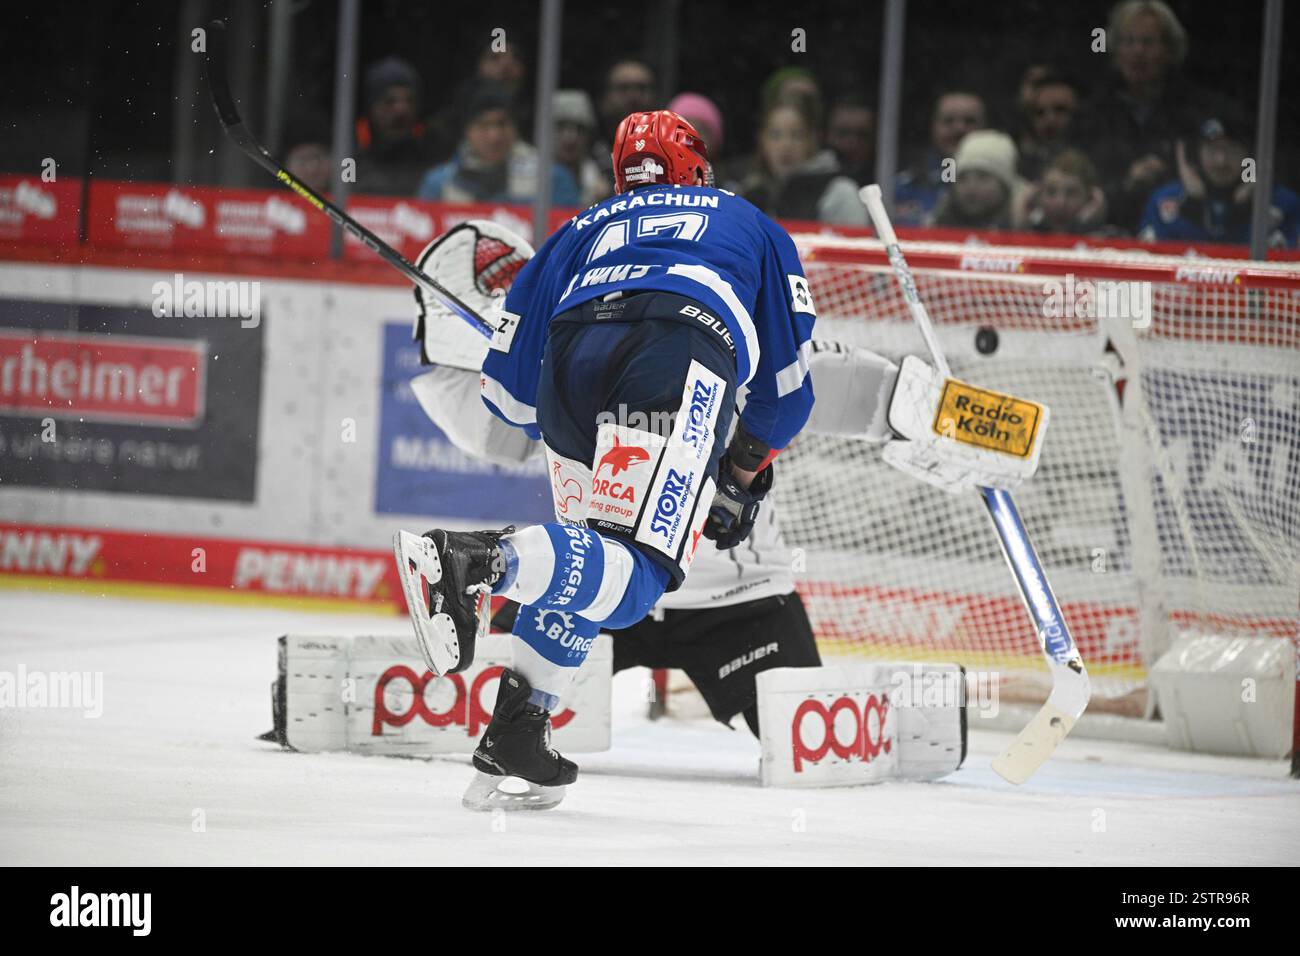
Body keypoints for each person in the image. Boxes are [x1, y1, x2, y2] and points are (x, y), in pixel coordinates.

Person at [395, 110, 818, 807]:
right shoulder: (748, 222)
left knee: (586, 560)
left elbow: (505, 396)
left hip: (569, 361)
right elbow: (787, 392)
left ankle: (514, 736)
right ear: (697, 167)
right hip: (678, 346)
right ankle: (472, 561)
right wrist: (739, 473)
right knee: (639, 577)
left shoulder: (581, 228)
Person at [1075, 0, 1201, 231]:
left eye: (1148, 42)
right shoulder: (1091, 113)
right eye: (1128, 42)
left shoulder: (1195, 111)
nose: (1137, 52)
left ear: (1169, 49)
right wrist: (1126, 183)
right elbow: (1079, 181)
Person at [1138, 103, 1300, 248]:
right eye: (1211, 149)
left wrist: (1250, 203)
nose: (1220, 161)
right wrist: (1192, 205)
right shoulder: (1164, 200)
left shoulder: (1282, 204)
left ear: (1250, 155)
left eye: (1231, 149)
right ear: (1194, 154)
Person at [416, 84, 580, 206]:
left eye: (502, 124)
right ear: (467, 131)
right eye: (483, 125)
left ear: (515, 127)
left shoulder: (552, 179)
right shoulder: (439, 184)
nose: (495, 136)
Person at [737, 101, 868, 226]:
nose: (785, 145)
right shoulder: (750, 191)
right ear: (762, 141)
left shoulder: (840, 193)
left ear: (812, 140)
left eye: (796, 135)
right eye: (775, 135)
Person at [894, 89, 987, 225]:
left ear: (985, 128)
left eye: (970, 121)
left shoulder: (1004, 189)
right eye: (949, 121)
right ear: (933, 127)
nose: (959, 129)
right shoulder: (903, 187)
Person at [353, 56, 441, 196]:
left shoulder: (434, 163)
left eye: (410, 101)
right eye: (389, 101)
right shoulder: (349, 163)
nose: (401, 111)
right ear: (371, 108)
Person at [932, 129, 1024, 231]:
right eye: (962, 178)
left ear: (1004, 185)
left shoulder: (1027, 230)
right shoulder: (937, 225)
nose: (971, 186)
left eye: (982, 177)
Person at [1017, 149, 1113, 235]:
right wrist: (1022, 223)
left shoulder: (1110, 240)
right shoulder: (1027, 237)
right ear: (1039, 194)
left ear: (1090, 198)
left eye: (1071, 193)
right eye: (1051, 192)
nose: (1060, 203)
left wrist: (1083, 226)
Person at [1016, 71, 1082, 181]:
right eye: (1040, 112)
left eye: (1060, 109)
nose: (1049, 119)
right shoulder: (1023, 165)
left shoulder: (1102, 158)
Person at [552, 89, 610, 207]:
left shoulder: (597, 178)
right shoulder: (528, 172)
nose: (571, 138)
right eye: (561, 127)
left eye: (580, 129)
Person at [825, 94, 876, 187]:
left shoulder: (884, 180)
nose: (853, 142)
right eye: (843, 133)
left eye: (862, 134)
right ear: (827, 135)